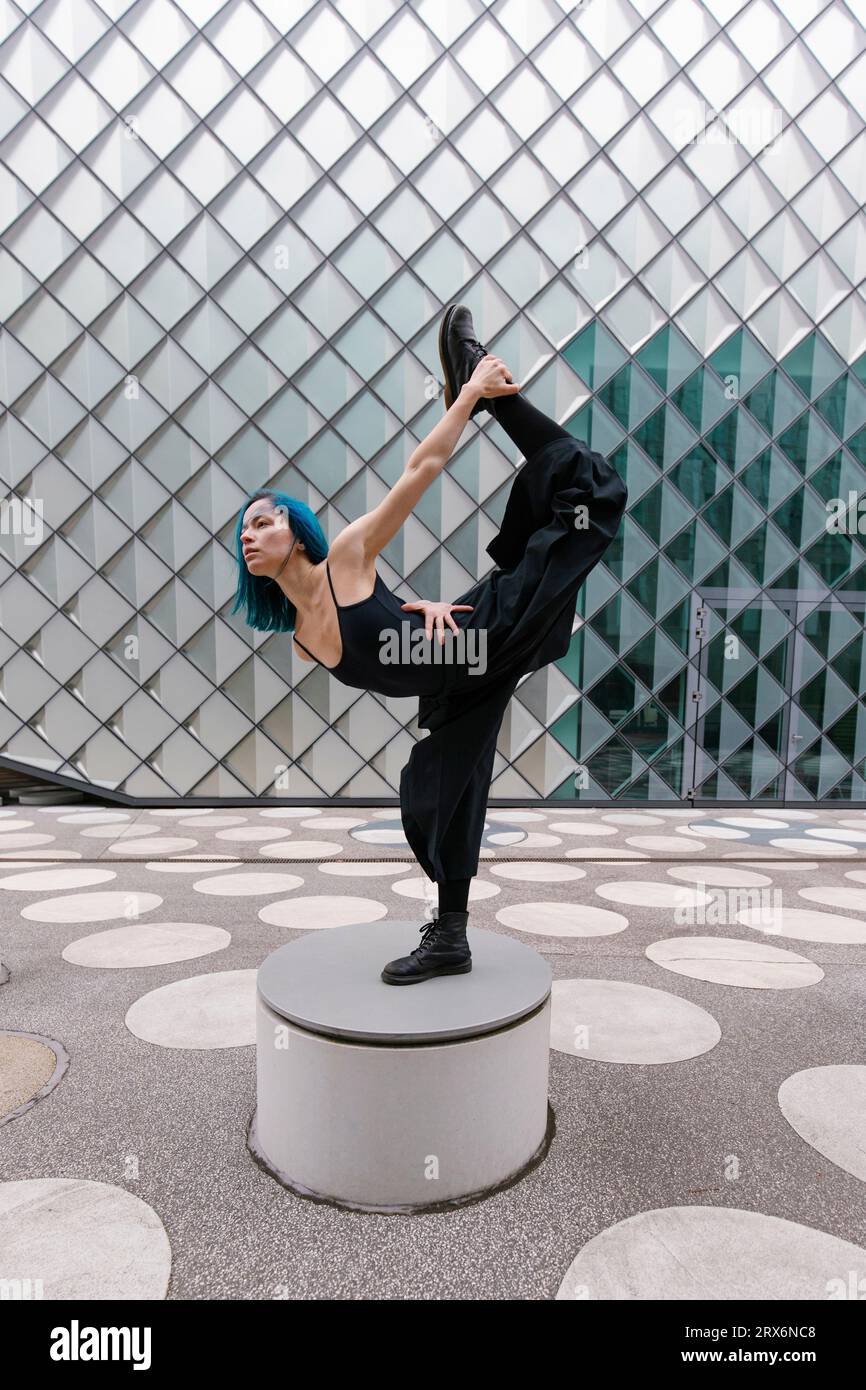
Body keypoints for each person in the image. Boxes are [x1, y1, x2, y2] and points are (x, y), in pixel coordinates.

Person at [233, 304, 628, 985]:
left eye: (263, 522)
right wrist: (431, 611)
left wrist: (472, 397)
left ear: (296, 532)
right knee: (438, 793)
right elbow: (395, 637)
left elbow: (420, 470)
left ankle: (494, 395)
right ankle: (450, 939)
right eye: (243, 532)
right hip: (455, 676)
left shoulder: (348, 556)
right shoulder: (300, 639)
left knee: (591, 495)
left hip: (481, 642)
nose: (249, 536)